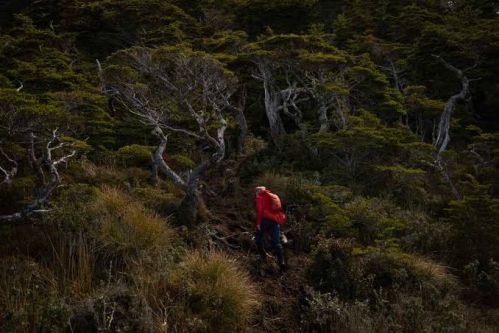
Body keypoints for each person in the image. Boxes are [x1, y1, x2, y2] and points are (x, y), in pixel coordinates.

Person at [254, 186, 287, 271]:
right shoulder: (273, 196)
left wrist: (258, 223)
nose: (255, 193)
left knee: (258, 238)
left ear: (258, 191)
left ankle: (263, 256)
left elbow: (260, 211)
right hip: (275, 221)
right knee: (276, 242)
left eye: (256, 191)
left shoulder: (260, 197)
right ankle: (282, 262)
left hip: (265, 220)